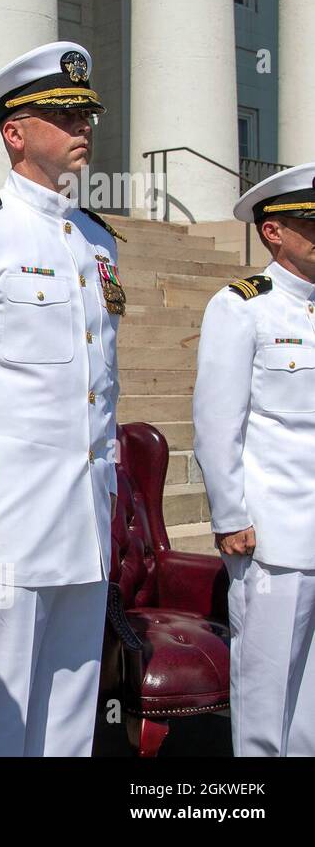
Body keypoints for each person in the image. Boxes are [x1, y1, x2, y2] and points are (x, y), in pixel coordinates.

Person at [0, 42, 122, 757]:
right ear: (15, 132)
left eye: (87, 114)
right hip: (7, 521)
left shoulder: (98, 241)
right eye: (65, 114)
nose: (83, 127)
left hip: (85, 515)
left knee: (72, 717)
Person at [194, 162, 315, 757]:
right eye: (310, 225)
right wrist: (230, 515)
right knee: (266, 699)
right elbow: (218, 423)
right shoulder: (243, 306)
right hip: (273, 537)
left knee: (312, 706)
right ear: (274, 232)